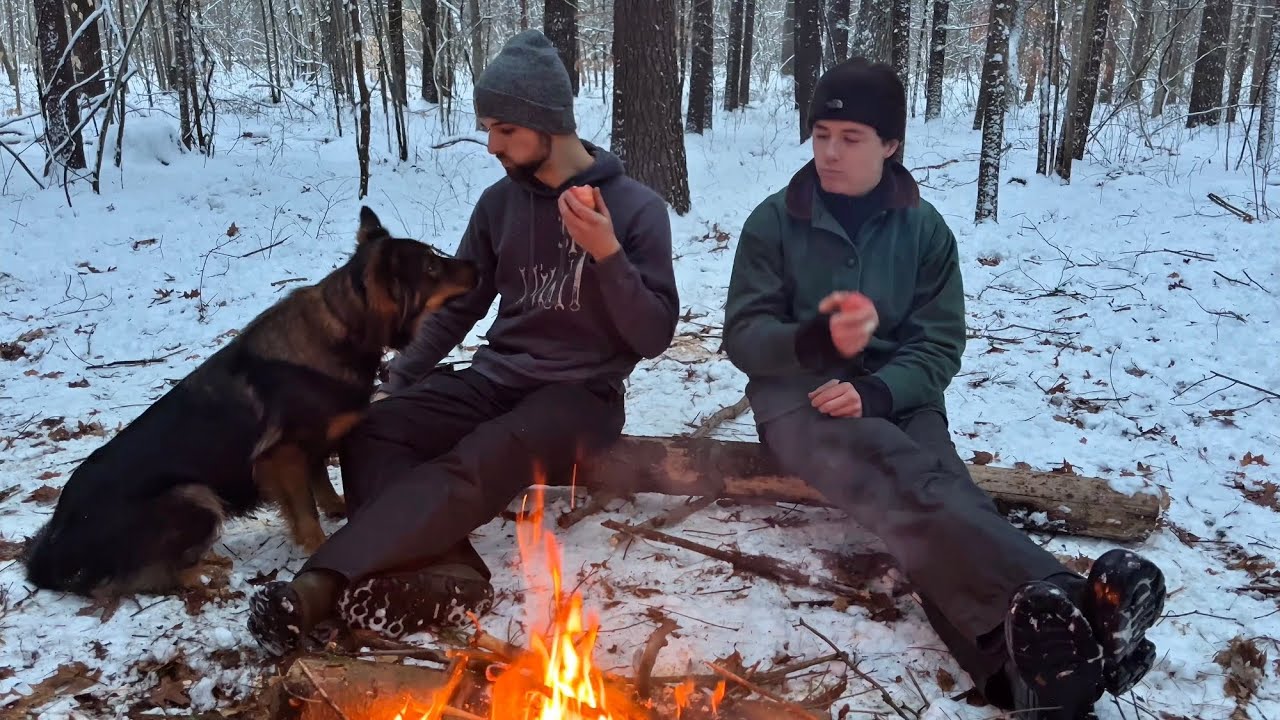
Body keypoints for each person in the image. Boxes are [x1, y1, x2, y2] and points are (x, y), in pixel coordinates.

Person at [722, 57, 1166, 719]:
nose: (831, 152)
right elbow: (744, 335)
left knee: (941, 492)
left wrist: (878, 390)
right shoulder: (775, 222)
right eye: (821, 135)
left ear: (891, 144)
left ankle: (1028, 676)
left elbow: (938, 344)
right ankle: (1066, 596)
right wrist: (815, 342)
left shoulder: (924, 231)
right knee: (908, 478)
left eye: (851, 138)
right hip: (799, 404)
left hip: (901, 398)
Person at [246, 29, 679, 655]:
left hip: (580, 398)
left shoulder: (636, 210)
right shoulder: (499, 204)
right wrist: (398, 382)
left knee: (485, 451)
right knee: (374, 430)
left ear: (545, 124)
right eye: (489, 127)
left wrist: (607, 255)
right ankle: (452, 576)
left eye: (503, 129)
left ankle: (321, 583)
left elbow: (654, 335)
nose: (491, 144)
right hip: (497, 380)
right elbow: (458, 309)